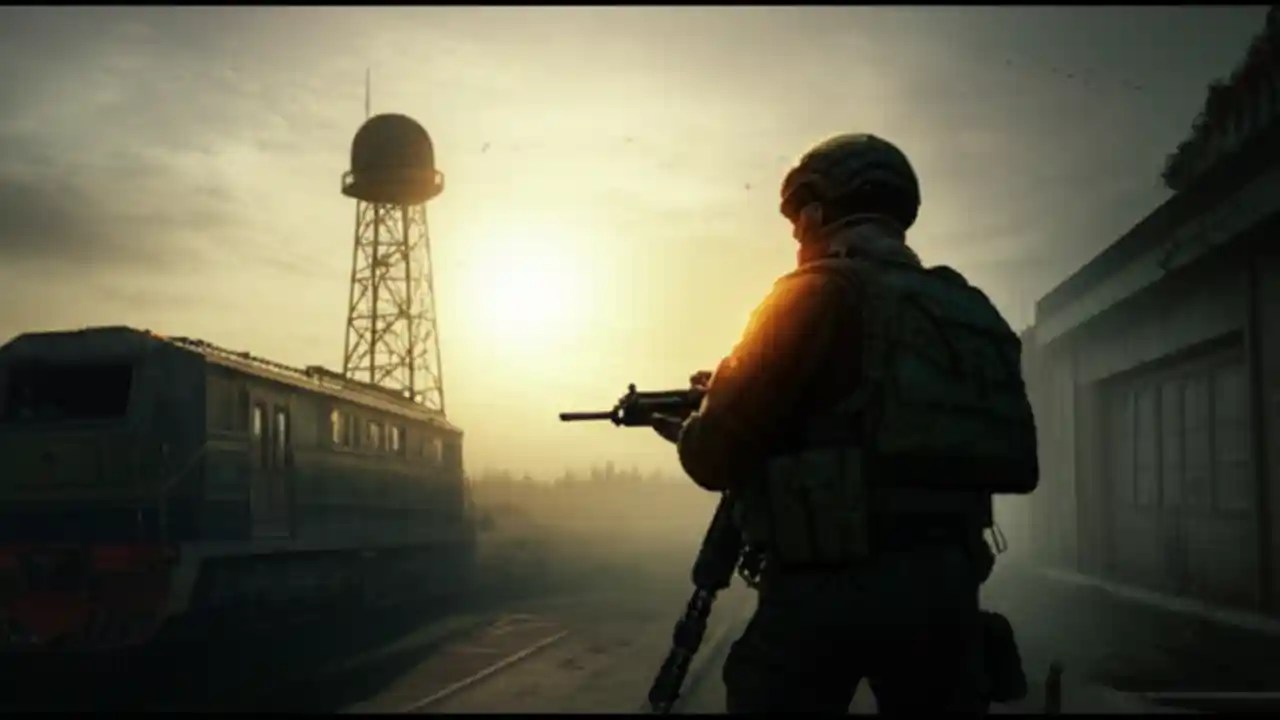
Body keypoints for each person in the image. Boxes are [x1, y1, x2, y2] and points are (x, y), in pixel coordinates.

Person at [653, 133, 1036, 714]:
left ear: (815, 213)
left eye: (797, 223)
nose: (796, 239)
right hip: (947, 586)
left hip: (824, 589)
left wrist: (695, 422)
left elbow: (713, 458)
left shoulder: (811, 296)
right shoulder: (964, 306)